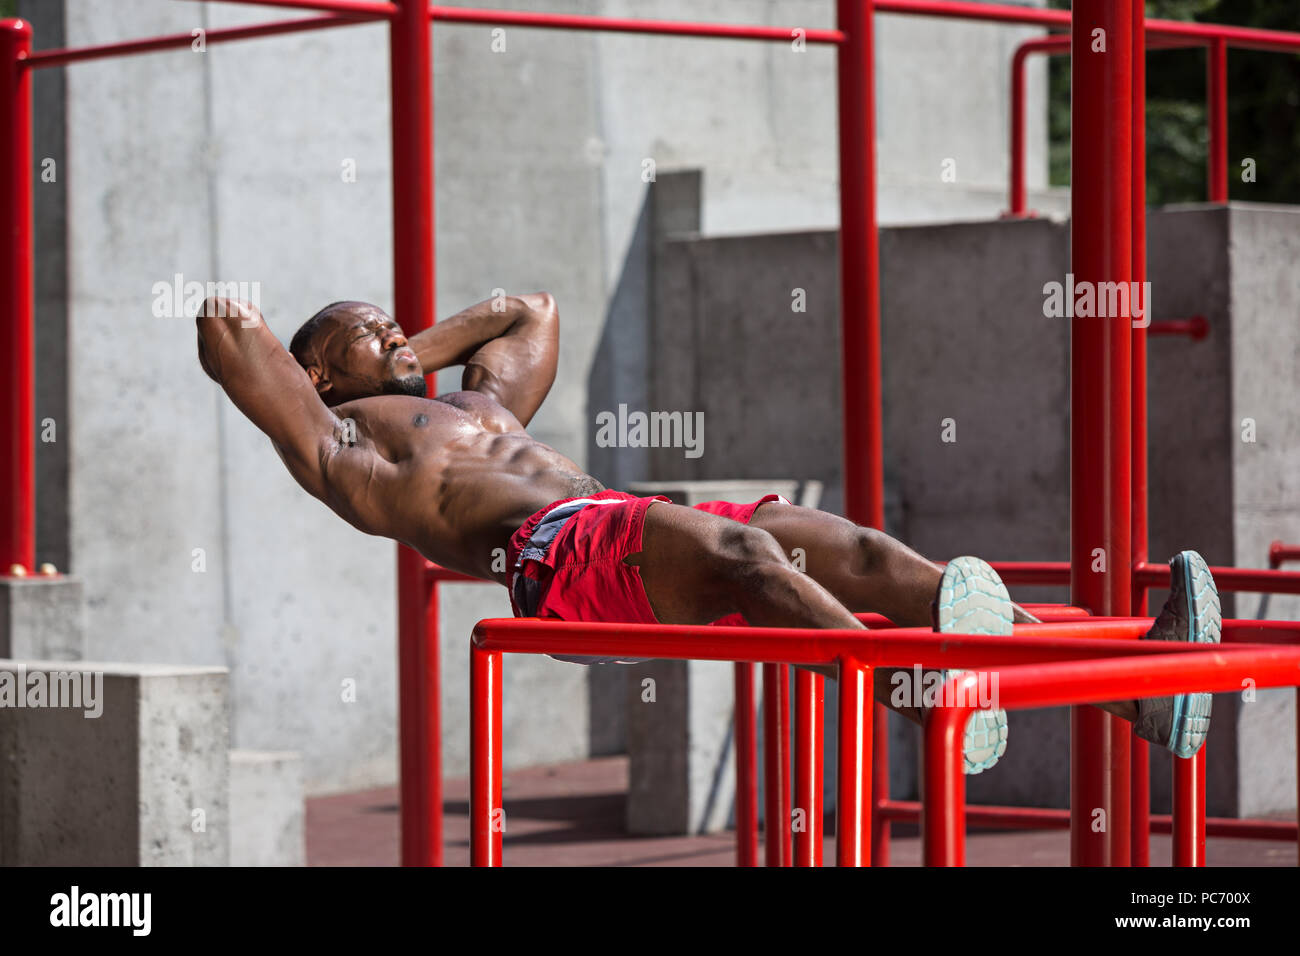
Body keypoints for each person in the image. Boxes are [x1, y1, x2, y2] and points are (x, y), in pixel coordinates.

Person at [196, 293, 1221, 773]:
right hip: (559, 561)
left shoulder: (475, 406)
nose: (383, 331)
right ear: (324, 372)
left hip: (630, 518)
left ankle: (1140, 691)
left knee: (870, 557)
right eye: (357, 331)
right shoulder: (351, 449)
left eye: (387, 318)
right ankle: (925, 703)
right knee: (747, 562)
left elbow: (529, 310)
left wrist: (406, 343)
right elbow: (240, 350)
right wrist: (253, 326)